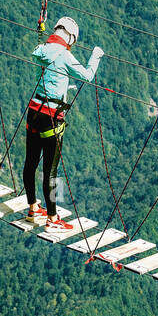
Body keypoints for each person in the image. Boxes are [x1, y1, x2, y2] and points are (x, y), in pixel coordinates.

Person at [23, 16, 103, 226]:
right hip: (51, 117)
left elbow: (50, 73)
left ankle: (32, 209)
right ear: (70, 37)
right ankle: (52, 218)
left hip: (33, 111)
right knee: (51, 170)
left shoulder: (41, 50)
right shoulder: (66, 56)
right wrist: (95, 56)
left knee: (30, 162)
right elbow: (87, 76)